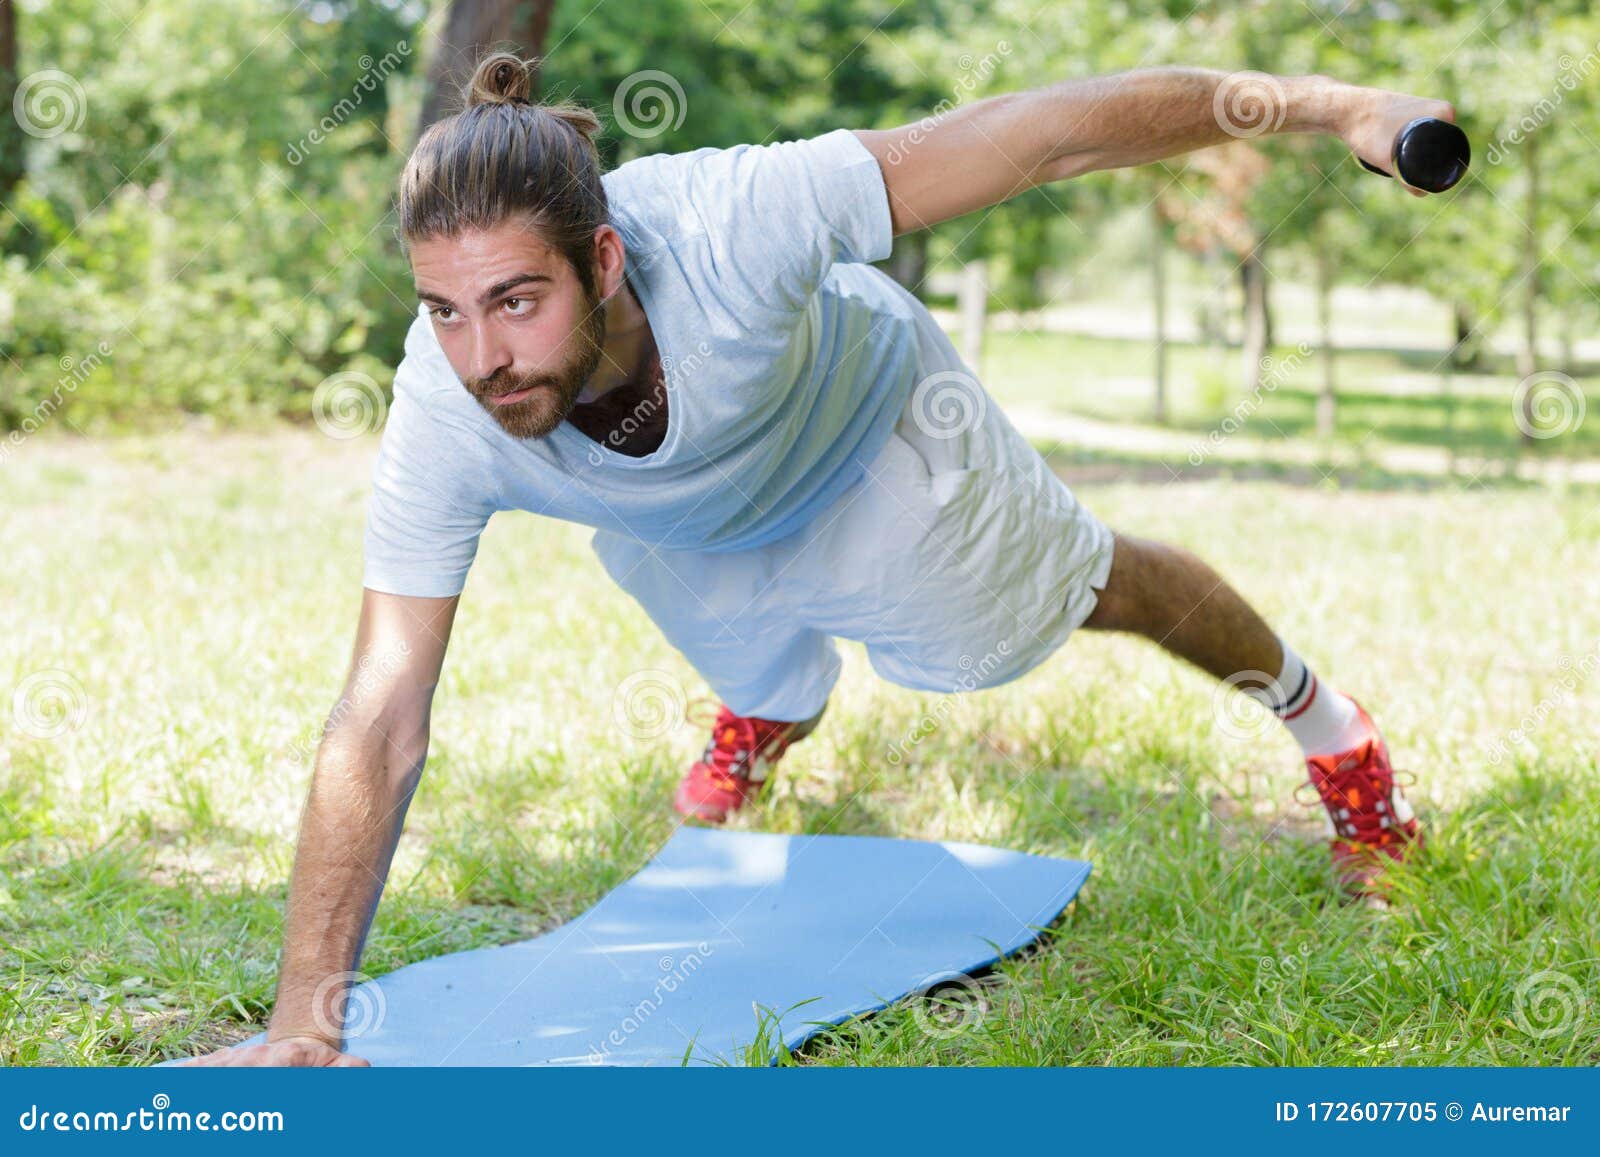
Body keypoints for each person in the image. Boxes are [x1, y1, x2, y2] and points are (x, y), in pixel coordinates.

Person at [179, 52, 1451, 1067]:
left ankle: (1328, 725)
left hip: (880, 446)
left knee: (1078, 596)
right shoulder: (447, 408)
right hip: (696, 529)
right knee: (738, 635)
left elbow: (1044, 131)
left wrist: (1327, 104)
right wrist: (307, 1018)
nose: (482, 356)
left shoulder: (736, 217)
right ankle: (771, 705)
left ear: (605, 259)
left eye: (517, 299)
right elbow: (383, 704)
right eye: (443, 310)